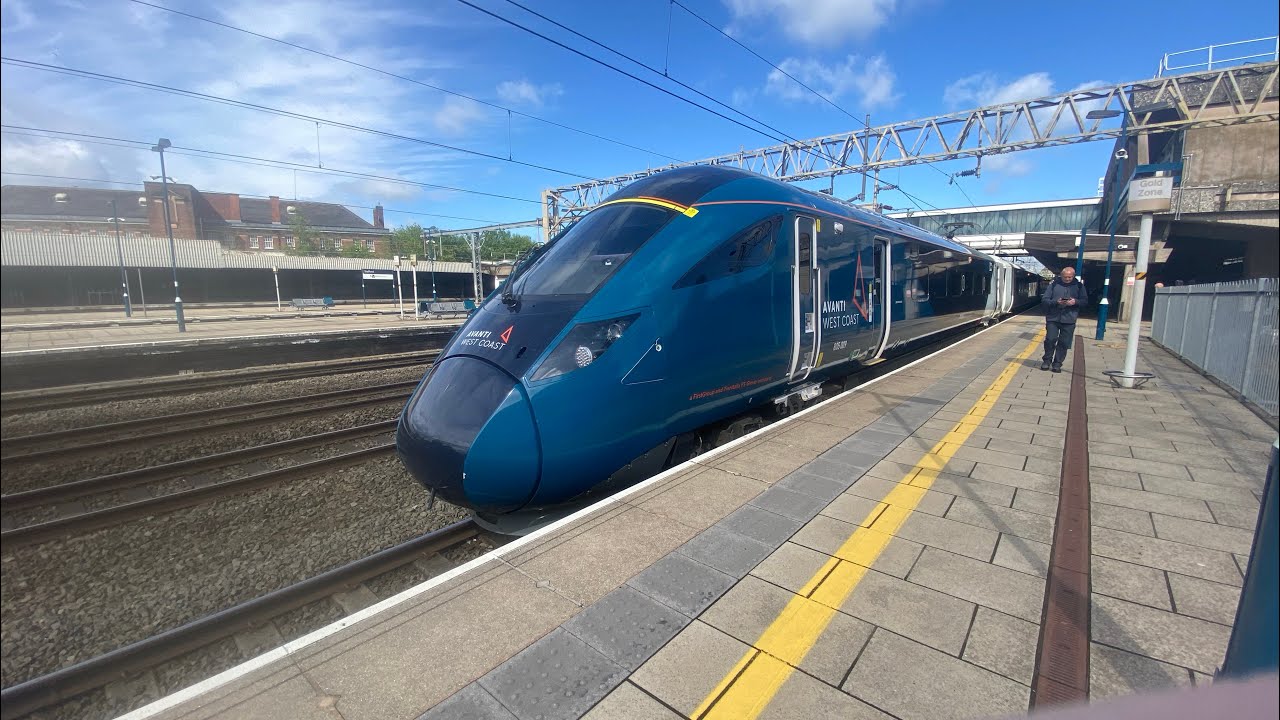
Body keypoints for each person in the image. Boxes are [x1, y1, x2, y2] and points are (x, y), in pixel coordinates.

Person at [1041, 266, 1088, 373]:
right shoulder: (1053, 285)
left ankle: (1057, 364)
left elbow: (1085, 301)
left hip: (1070, 319)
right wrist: (1056, 302)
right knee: (1050, 339)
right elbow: (1045, 300)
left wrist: (1075, 302)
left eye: (1070, 277)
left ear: (1073, 276)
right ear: (1061, 276)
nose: (1067, 279)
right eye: (1065, 277)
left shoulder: (1079, 286)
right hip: (1053, 318)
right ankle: (1047, 360)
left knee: (1064, 342)